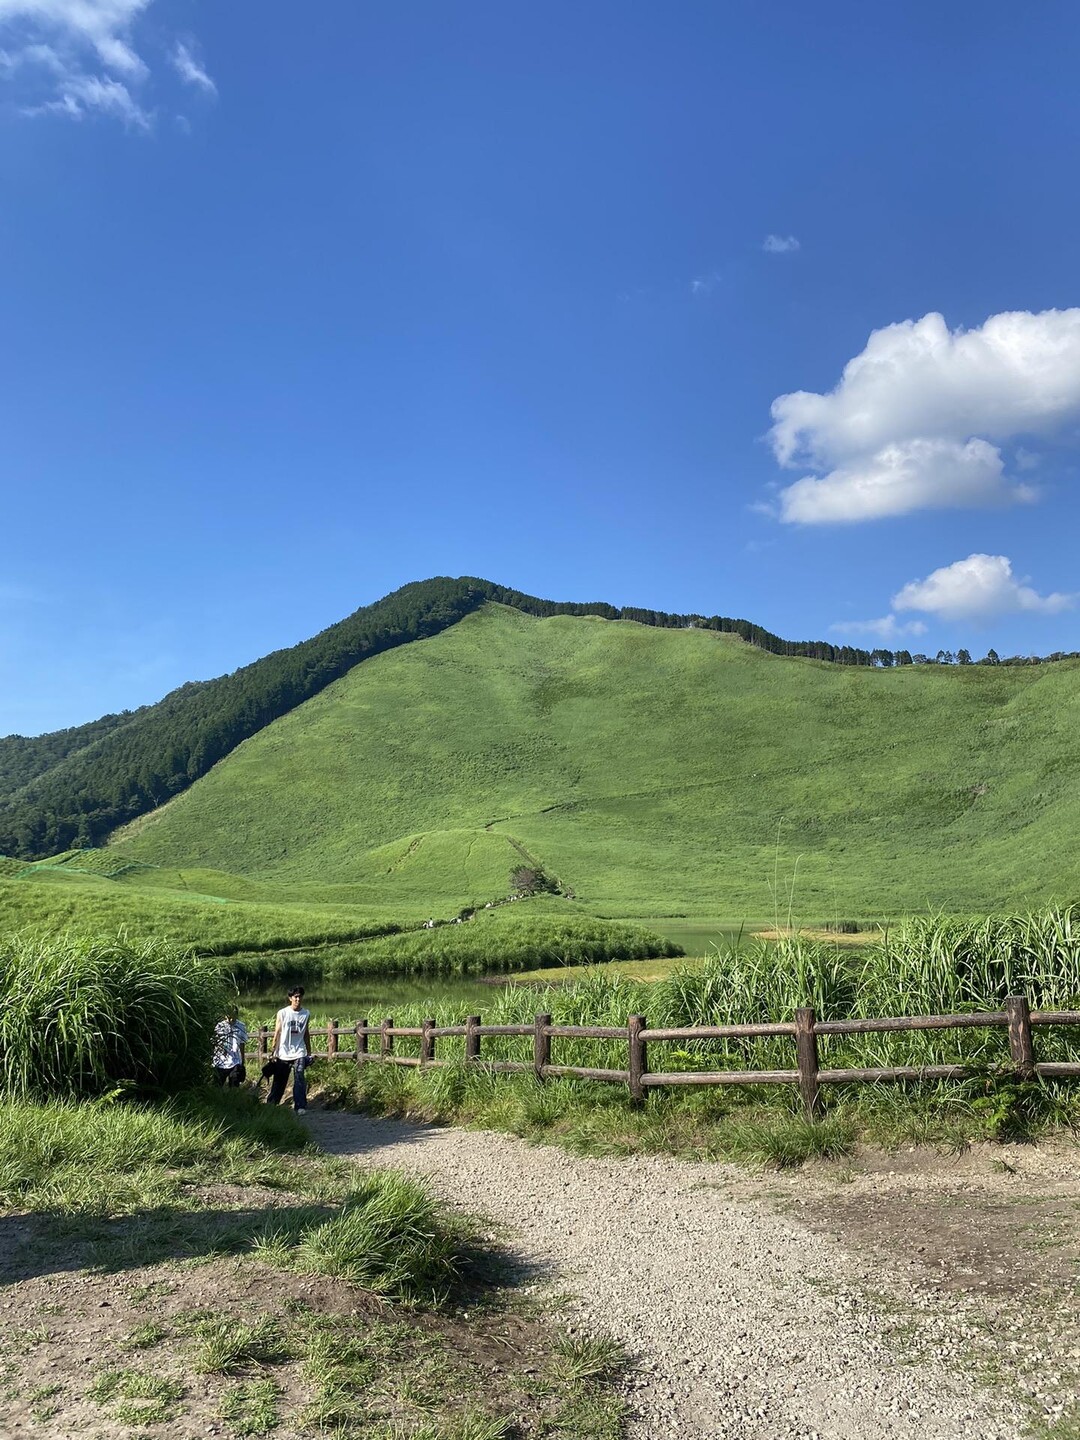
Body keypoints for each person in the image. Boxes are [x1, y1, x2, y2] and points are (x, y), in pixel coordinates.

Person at [266, 985, 311, 1113]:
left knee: (299, 1077)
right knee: (280, 1079)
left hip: (299, 1051)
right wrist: (273, 1051)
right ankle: (272, 1103)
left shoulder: (306, 1013)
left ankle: (300, 1106)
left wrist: (309, 1052)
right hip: (283, 1052)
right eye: (296, 997)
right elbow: (277, 1032)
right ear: (290, 998)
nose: (298, 999)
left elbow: (306, 1033)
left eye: (300, 997)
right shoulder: (283, 1013)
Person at [212, 1005, 248, 1087]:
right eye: (229, 1016)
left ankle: (233, 1098)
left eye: (233, 1016)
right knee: (217, 1085)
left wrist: (242, 1060)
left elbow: (242, 1043)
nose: (230, 1019)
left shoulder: (241, 1026)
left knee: (234, 1083)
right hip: (221, 1060)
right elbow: (215, 1042)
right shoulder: (220, 1026)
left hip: (235, 1060)